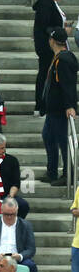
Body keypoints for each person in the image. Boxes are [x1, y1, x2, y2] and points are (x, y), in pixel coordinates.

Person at [42, 25, 78, 185]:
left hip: (59, 109)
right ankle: (52, 171)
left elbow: (67, 85)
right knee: (48, 136)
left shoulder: (63, 60)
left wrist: (70, 105)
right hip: (52, 109)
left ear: (52, 40)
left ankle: (68, 174)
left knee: (63, 141)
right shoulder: (59, 57)